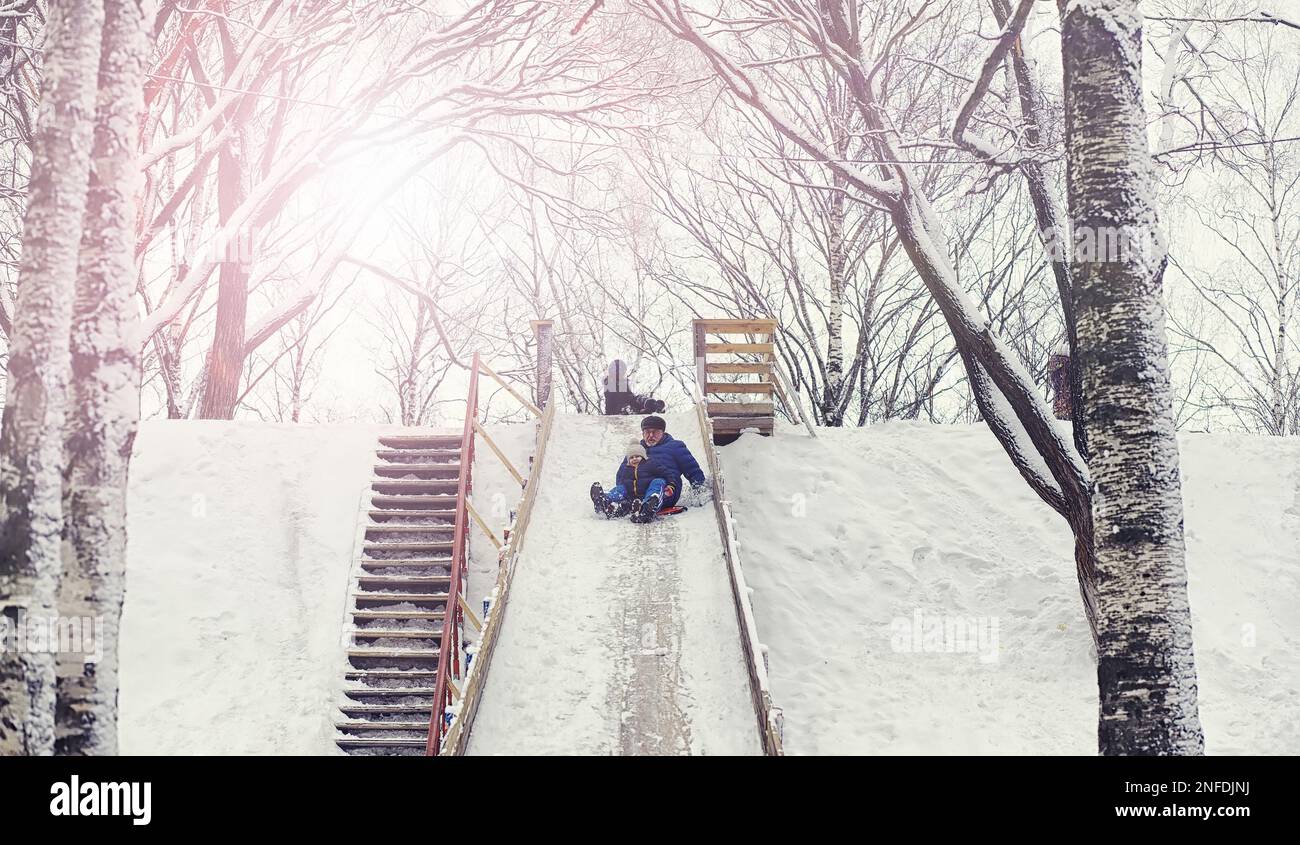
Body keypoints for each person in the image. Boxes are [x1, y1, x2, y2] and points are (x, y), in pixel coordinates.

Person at [636, 414, 707, 508]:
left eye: (655, 432)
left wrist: (699, 489)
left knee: (658, 482)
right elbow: (624, 472)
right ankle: (615, 505)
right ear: (642, 434)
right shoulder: (636, 450)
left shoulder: (675, 446)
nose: (651, 435)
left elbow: (692, 469)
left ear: (663, 433)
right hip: (639, 492)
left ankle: (650, 505)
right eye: (647, 432)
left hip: (666, 490)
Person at [590, 443, 672, 522]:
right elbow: (620, 482)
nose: (634, 459)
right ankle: (604, 501)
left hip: (646, 496)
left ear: (643, 457)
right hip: (632, 501)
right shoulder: (626, 469)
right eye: (631, 457)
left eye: (637, 456)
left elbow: (666, 474)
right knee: (621, 488)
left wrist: (671, 485)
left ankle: (650, 505)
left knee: (658, 481)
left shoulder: (651, 464)